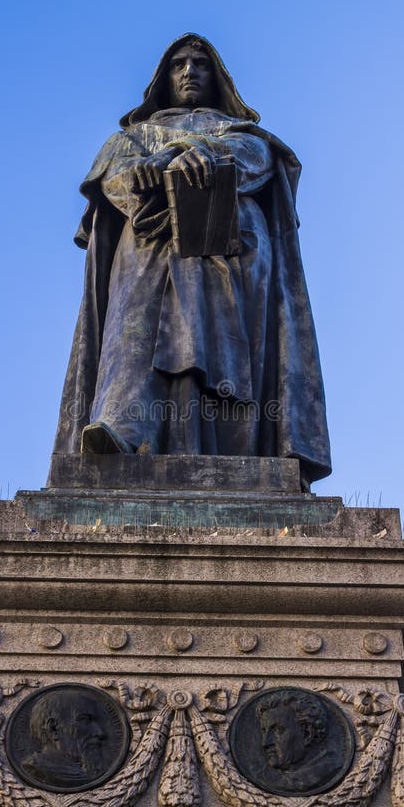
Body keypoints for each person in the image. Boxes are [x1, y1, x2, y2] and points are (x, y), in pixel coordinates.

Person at [51, 34, 331, 490]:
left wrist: (199, 154)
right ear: (163, 79)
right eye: (179, 64)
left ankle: (236, 451)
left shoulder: (243, 136)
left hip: (232, 249)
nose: (189, 72)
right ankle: (124, 428)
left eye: (199, 64)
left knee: (223, 346)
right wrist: (162, 166)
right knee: (135, 328)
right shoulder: (131, 138)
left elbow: (257, 161)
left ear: (217, 77)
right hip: (150, 249)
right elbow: (115, 181)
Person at [22, 690, 105, 788]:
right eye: (85, 720)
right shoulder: (35, 767)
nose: (99, 733)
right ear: (53, 728)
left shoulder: (82, 774)